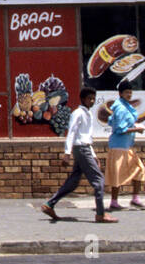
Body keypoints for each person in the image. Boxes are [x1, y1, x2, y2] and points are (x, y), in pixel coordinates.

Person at [40, 87, 117, 223]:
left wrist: (93, 154)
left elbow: (87, 137)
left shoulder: (89, 114)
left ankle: (50, 204)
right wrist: (67, 152)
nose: (92, 101)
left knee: (73, 181)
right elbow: (72, 132)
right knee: (99, 180)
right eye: (89, 98)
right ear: (82, 99)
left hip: (84, 148)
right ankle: (100, 214)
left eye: (93, 98)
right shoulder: (78, 113)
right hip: (81, 149)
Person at [107, 80, 145, 210]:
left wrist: (134, 126)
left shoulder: (125, 107)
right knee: (117, 174)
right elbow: (119, 129)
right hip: (118, 146)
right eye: (126, 92)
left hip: (126, 146)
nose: (129, 94)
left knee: (139, 168)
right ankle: (114, 202)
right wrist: (137, 129)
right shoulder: (120, 108)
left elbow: (112, 122)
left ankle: (135, 198)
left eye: (130, 92)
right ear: (120, 93)